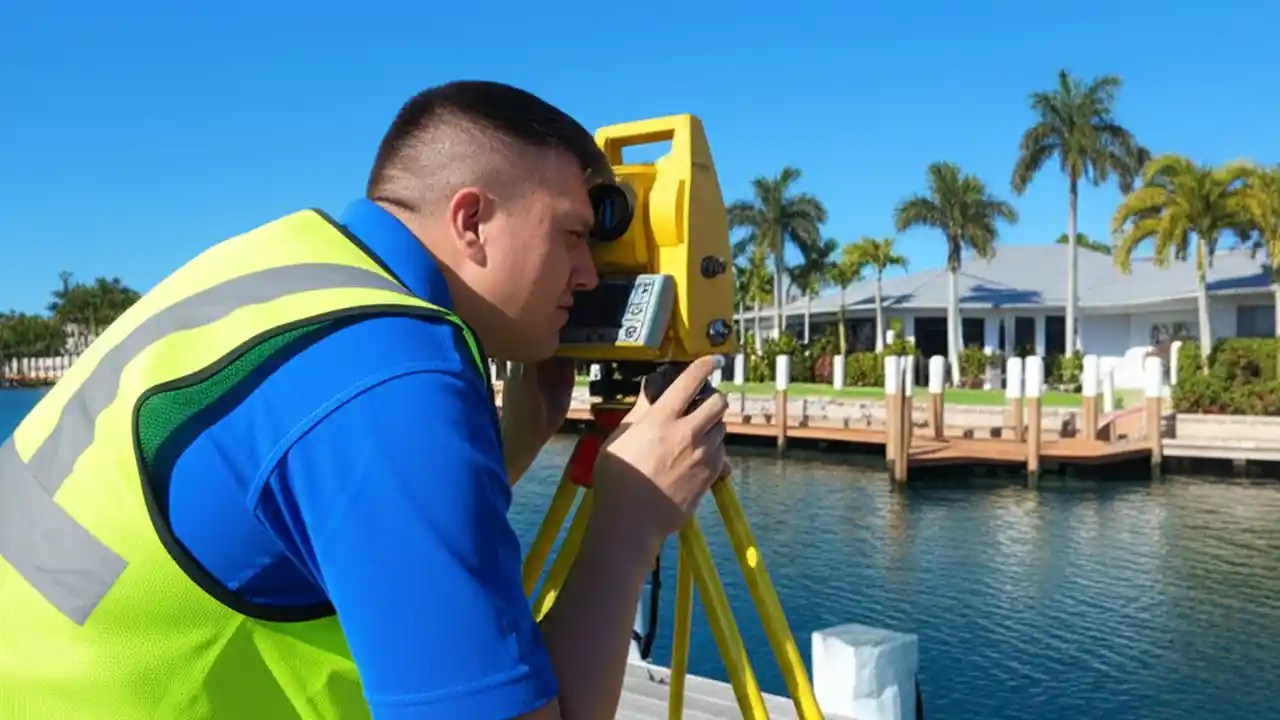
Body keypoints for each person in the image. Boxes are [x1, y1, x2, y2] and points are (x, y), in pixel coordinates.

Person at [0, 80, 730, 719]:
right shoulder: (396, 377)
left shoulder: (281, 269)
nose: (588, 273)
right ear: (472, 221)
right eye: (571, 234)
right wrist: (630, 523)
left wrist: (513, 445)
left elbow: (294, 521)